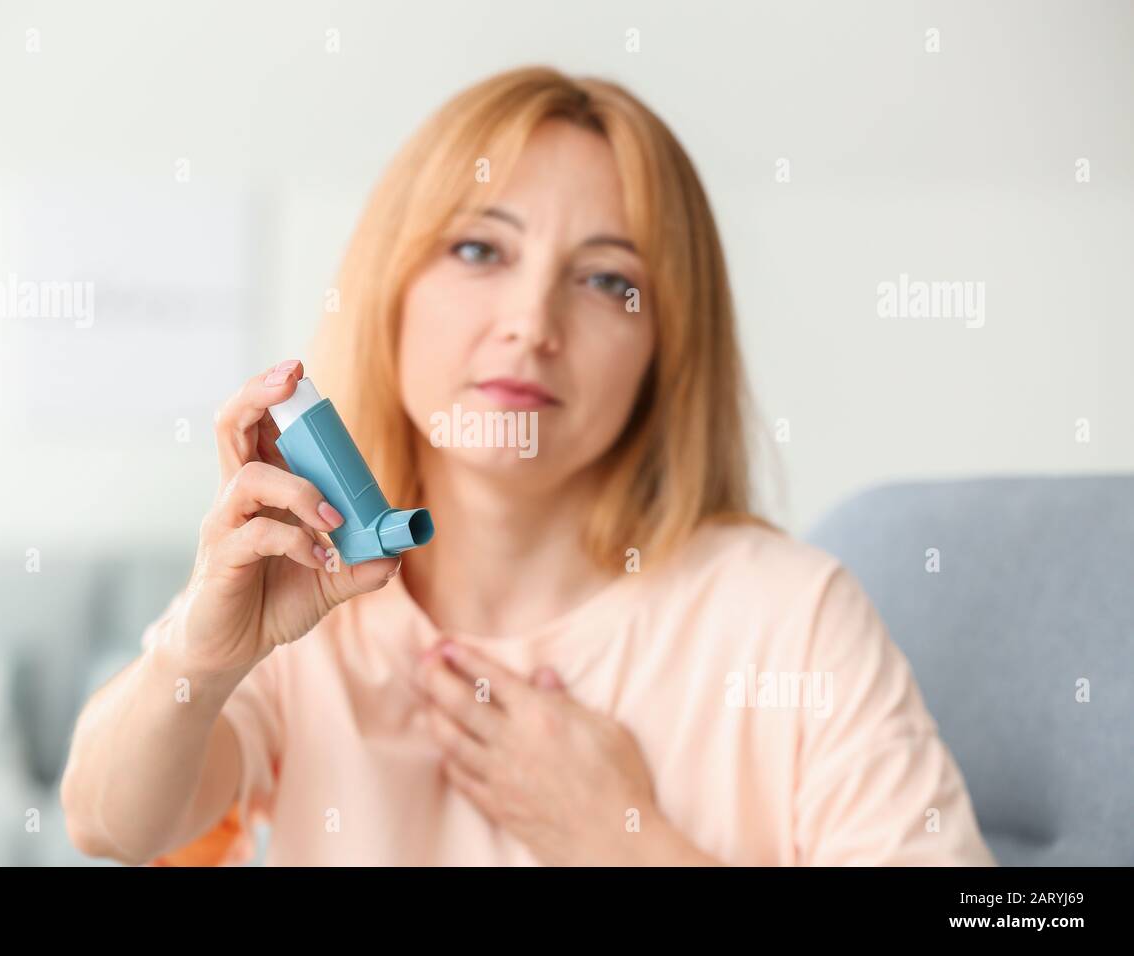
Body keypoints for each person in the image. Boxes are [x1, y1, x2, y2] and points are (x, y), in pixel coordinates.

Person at [60, 65, 996, 866]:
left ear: (667, 347)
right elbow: (107, 825)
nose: (532, 323)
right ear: (392, 291)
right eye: (479, 249)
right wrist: (203, 657)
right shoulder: (307, 591)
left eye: (607, 280)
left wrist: (628, 845)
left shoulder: (794, 617)